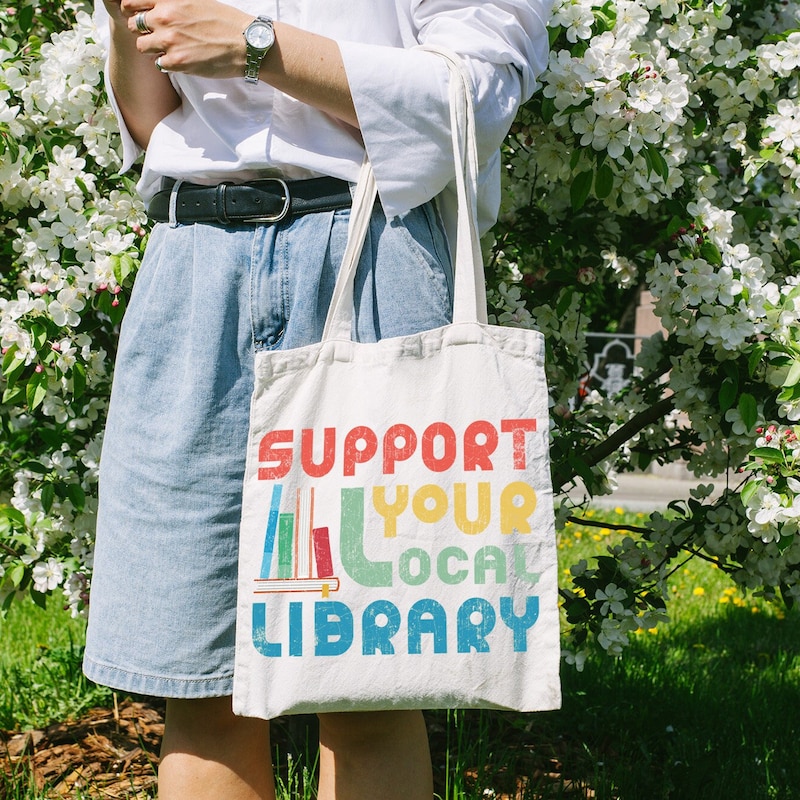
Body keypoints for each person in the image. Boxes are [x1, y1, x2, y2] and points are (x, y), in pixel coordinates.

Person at [83, 1, 552, 797]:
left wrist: (258, 48)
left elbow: (471, 99)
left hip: (366, 250)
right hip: (194, 261)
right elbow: (152, 116)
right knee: (199, 694)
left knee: (370, 688)